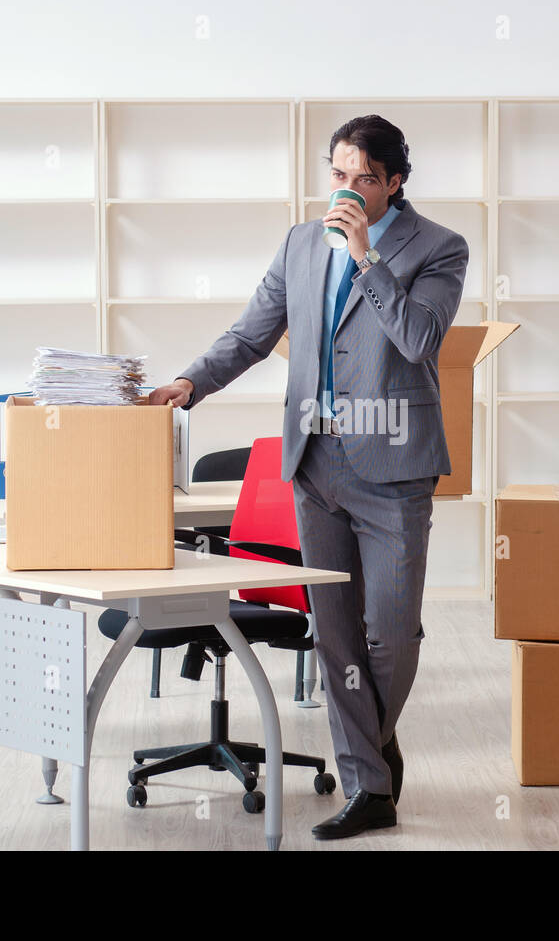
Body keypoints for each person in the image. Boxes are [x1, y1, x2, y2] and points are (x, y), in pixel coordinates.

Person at [146, 114, 468, 839]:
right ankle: (368, 784)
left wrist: (367, 260)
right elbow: (253, 332)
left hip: (393, 468)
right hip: (314, 464)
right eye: (337, 174)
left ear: (395, 182)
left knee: (390, 635)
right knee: (333, 634)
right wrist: (188, 383)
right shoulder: (299, 243)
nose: (346, 191)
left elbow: (419, 340)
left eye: (363, 179)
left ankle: (372, 747)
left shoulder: (440, 248)